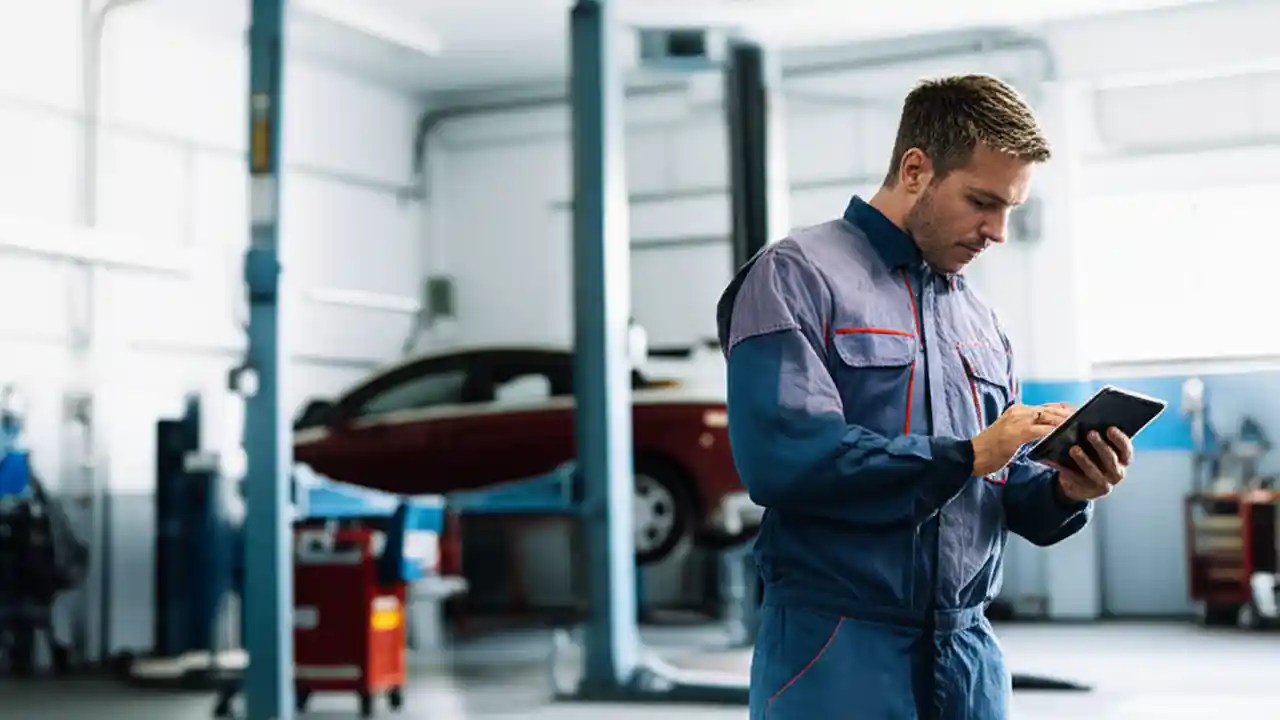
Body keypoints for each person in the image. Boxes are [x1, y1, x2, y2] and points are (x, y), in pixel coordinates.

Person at [715, 75, 1135, 719]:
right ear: (915, 169)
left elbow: (996, 487)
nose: (997, 231)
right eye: (981, 201)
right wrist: (966, 455)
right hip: (835, 647)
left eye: (1010, 210)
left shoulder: (980, 321)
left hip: (967, 655)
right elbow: (786, 457)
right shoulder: (796, 276)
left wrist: (1064, 487)